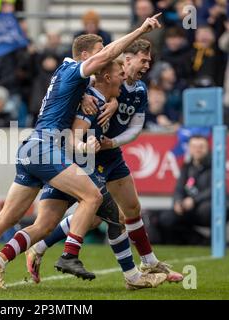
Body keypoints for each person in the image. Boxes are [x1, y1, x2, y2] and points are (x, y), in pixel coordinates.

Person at [0, 14, 162, 289]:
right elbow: (109, 60)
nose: (104, 60)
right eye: (98, 54)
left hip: (31, 147)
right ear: (84, 55)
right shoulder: (77, 70)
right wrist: (141, 29)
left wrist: (108, 100)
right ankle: (70, 255)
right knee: (92, 198)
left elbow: (107, 83)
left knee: (13, 217)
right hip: (47, 148)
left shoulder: (69, 77)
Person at [25, 39, 183, 290]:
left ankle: (147, 264)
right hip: (89, 155)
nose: (147, 65)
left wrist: (113, 134)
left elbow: (136, 128)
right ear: (126, 60)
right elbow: (68, 93)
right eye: (143, 60)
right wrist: (90, 97)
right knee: (105, 216)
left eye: (149, 61)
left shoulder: (139, 90)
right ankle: (136, 273)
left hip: (111, 153)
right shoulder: (95, 78)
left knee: (131, 208)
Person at [155, 135, 214, 244]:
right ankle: (199, 240)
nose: (198, 149)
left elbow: (214, 190)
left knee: (207, 209)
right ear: (190, 149)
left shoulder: (215, 167)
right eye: (194, 146)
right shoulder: (186, 167)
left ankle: (210, 241)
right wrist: (178, 202)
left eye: (201, 146)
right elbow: (179, 189)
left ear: (207, 148)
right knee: (166, 218)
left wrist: (194, 200)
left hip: (204, 209)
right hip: (187, 209)